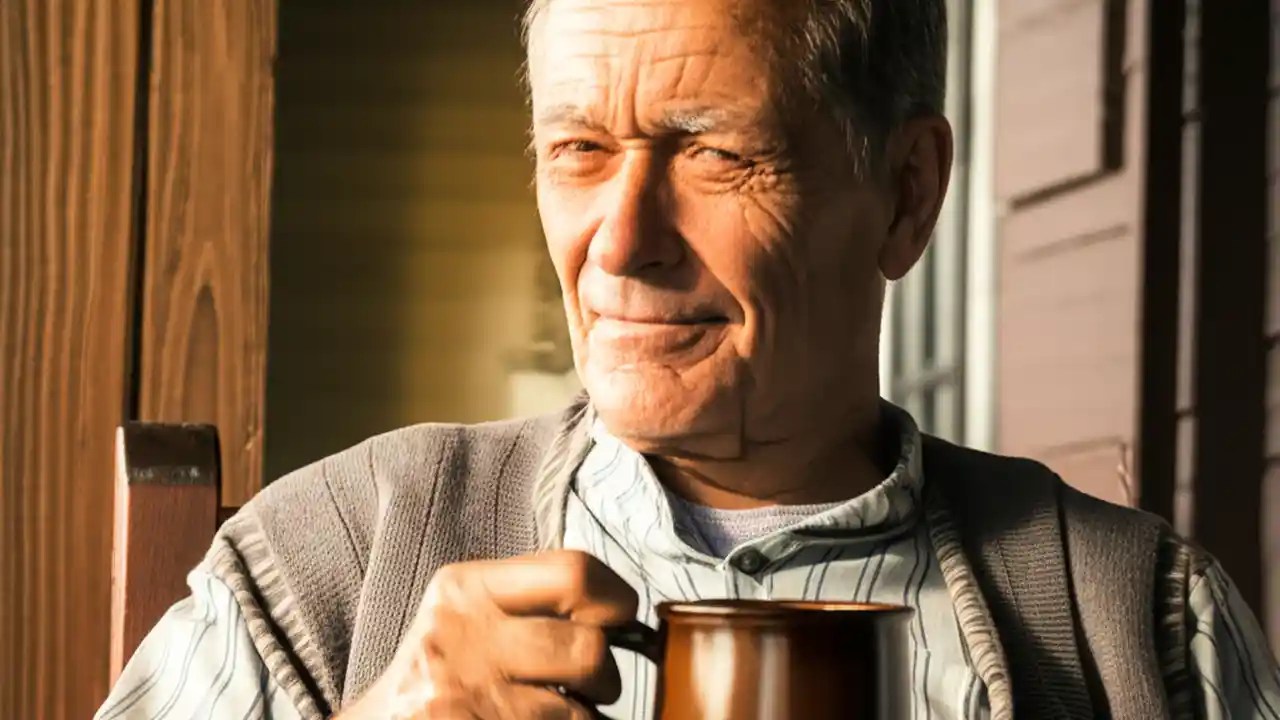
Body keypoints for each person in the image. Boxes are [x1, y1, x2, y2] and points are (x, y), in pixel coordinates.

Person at [97, 0, 1280, 718]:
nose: (616, 244)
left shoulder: (1150, 627)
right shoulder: (331, 569)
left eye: (712, 154)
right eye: (576, 150)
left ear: (906, 195)